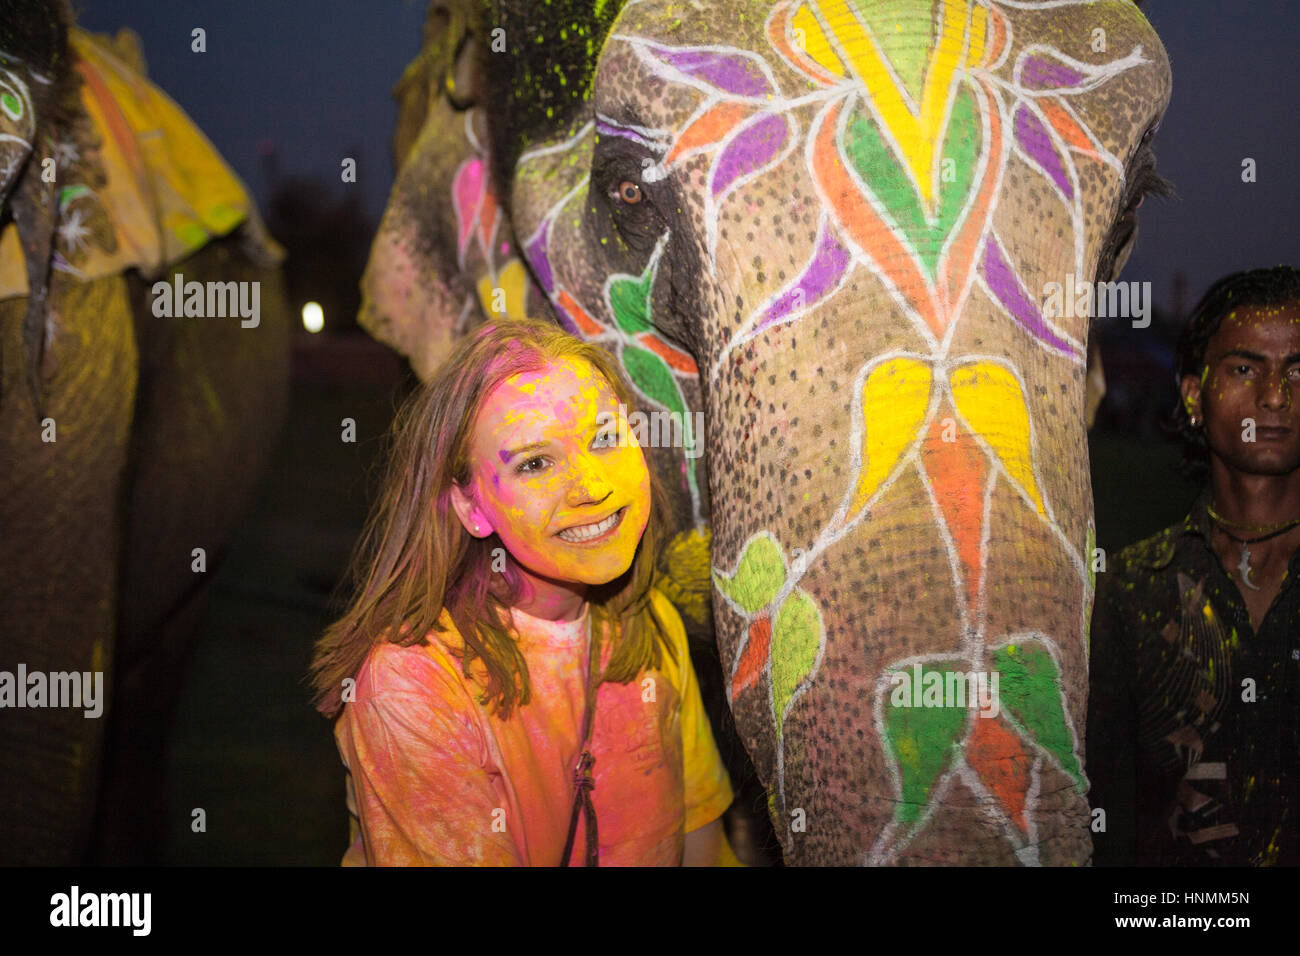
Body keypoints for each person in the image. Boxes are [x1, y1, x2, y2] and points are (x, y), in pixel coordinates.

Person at [309, 318, 739, 865]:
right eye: (536, 463)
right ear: (470, 507)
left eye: (605, 437)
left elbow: (705, 849)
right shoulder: (410, 682)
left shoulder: (649, 622)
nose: (592, 486)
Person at [1088, 266, 1300, 865]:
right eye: (1243, 369)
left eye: (1297, 370)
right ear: (1192, 395)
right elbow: (1102, 815)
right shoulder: (1129, 592)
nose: (1276, 396)